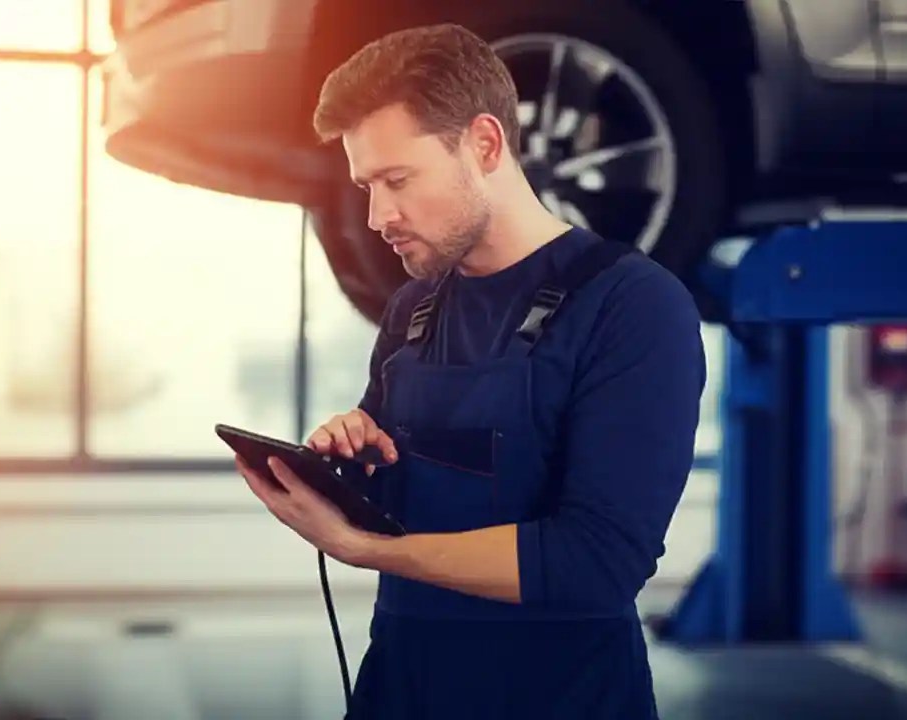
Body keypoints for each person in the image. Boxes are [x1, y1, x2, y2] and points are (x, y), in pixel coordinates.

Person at [233, 23, 705, 720]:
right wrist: (357, 465)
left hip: (560, 698)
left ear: (485, 144)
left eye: (398, 180)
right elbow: (405, 499)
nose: (377, 216)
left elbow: (598, 564)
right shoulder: (412, 309)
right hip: (403, 685)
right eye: (367, 185)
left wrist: (362, 549)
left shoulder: (633, 305)